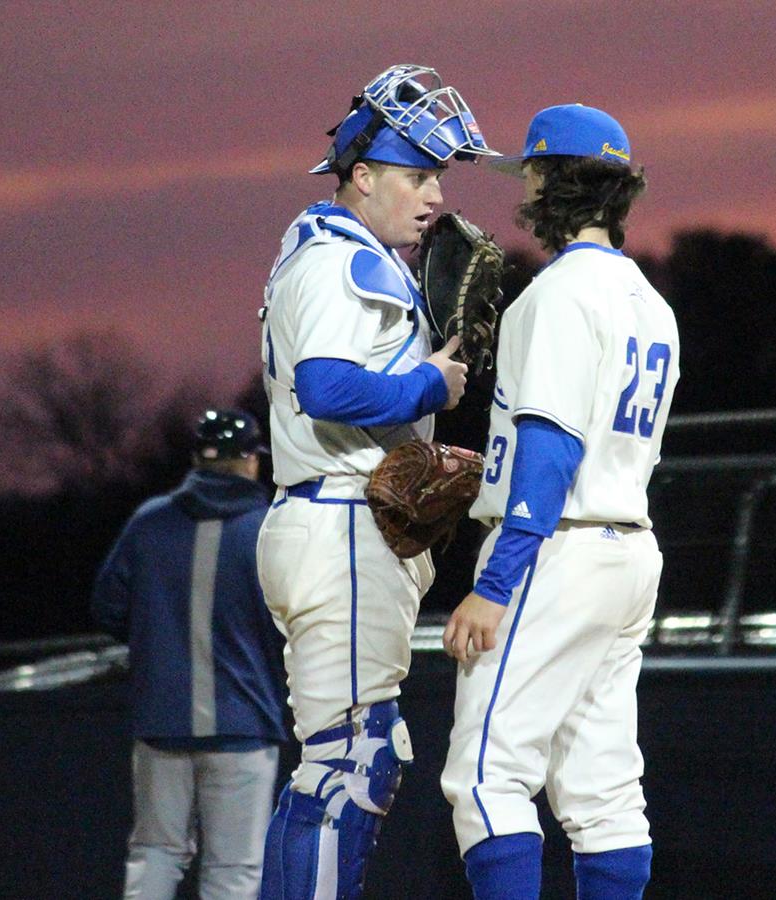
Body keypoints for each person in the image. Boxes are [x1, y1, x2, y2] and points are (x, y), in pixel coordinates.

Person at [254, 63, 496, 899]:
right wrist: (430, 386)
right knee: (350, 766)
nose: (434, 194)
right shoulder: (340, 261)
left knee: (342, 762)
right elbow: (325, 386)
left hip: (333, 522)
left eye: (438, 174)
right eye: (416, 173)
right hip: (340, 528)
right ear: (362, 176)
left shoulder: (332, 252)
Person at [439, 105, 680, 899]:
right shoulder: (652, 305)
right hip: (628, 550)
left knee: (486, 777)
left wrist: (496, 581)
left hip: (555, 550)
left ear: (550, 183)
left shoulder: (557, 297)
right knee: (601, 790)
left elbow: (549, 451)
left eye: (532, 172)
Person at [92, 409, 289, 900]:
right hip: (243, 722)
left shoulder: (150, 522)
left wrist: (159, 644)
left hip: (163, 719)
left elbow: (109, 608)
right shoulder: (269, 528)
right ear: (248, 460)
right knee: (234, 868)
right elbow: (292, 627)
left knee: (156, 851)